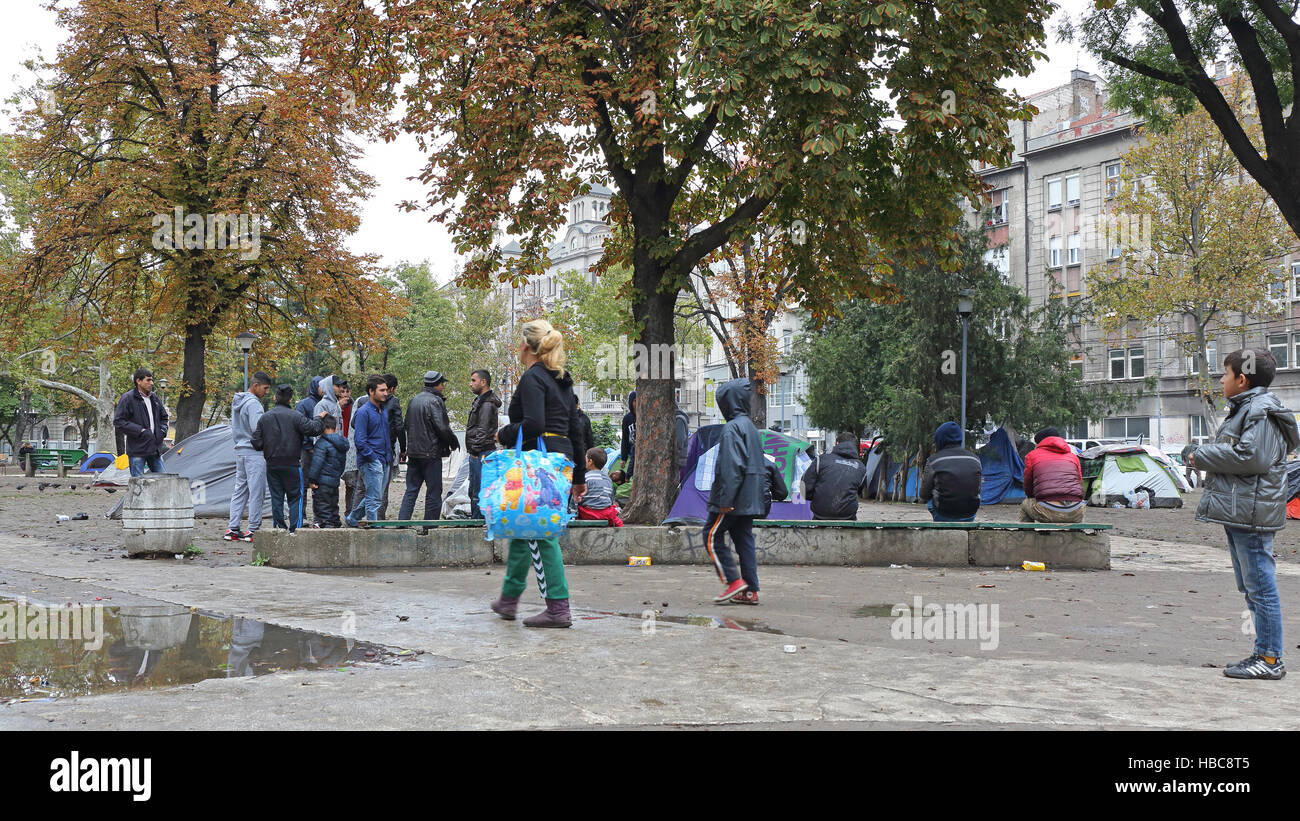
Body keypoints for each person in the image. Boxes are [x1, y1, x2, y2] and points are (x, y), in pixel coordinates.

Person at [1188, 348, 1298, 680]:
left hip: (1252, 511)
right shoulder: (1249, 409)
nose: (1221, 380)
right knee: (1253, 586)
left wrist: (1200, 455)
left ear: (1242, 378)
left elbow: (1252, 457)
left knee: (1260, 586)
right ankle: (1262, 654)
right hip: (1244, 509)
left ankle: (1268, 659)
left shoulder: (1259, 411)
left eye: (1225, 374)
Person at [488, 319, 586, 628]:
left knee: (542, 534)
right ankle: (509, 599)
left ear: (527, 347)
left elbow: (532, 424)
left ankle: (558, 607)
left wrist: (503, 433)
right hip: (561, 459)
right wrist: (580, 476)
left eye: (520, 343)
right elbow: (577, 430)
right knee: (525, 526)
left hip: (538, 461)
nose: (518, 348)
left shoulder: (533, 379)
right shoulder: (562, 379)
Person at [703, 378, 766, 605]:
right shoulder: (751, 427)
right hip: (750, 497)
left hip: (732, 497)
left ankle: (733, 581)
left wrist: (725, 499)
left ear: (727, 403)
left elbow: (731, 466)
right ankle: (750, 590)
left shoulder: (731, 429)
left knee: (711, 536)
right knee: (743, 540)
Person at [252, 385, 326, 533]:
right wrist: (319, 418)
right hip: (292, 464)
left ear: (275, 397)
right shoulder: (296, 416)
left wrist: (268, 446)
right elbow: (314, 429)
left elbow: (256, 442)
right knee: (295, 498)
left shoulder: (265, 418)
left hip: (272, 464)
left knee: (276, 497)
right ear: (290, 399)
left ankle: (279, 529)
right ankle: (294, 531)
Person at [399, 371, 459, 522]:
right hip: (431, 454)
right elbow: (442, 428)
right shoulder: (435, 401)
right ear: (436, 384)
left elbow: (406, 425)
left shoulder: (414, 400)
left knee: (411, 491)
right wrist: (453, 442)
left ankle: (402, 523)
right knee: (433, 492)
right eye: (442, 384)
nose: (443, 387)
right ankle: (430, 526)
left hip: (413, 453)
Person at [226, 372, 273, 542]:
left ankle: (233, 528)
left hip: (240, 450)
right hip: (254, 452)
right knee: (256, 492)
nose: (266, 392)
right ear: (256, 385)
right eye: (265, 388)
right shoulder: (254, 404)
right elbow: (257, 429)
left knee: (240, 490)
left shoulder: (238, 402)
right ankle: (253, 530)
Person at [345, 375, 393, 528]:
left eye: (386, 390)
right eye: (382, 390)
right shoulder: (363, 412)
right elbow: (360, 441)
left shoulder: (383, 410)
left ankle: (352, 518)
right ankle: (374, 528)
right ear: (371, 392)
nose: (386, 393)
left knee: (375, 496)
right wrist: (373, 458)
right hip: (371, 460)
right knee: (374, 499)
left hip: (384, 459)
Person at [919, 422, 982, 522]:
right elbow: (977, 490)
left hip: (943, 513)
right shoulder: (975, 459)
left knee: (931, 501)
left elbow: (923, 494)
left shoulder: (934, 461)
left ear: (939, 440)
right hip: (970, 513)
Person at [1020, 427, 1085, 523]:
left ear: (1039, 442)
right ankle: (1078, 535)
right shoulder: (1073, 457)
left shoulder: (1032, 456)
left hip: (1048, 511)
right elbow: (1079, 482)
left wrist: (1033, 496)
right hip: (1076, 512)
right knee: (1078, 505)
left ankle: (1027, 535)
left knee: (1025, 504)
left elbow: (1028, 485)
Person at [801, 430, 869, 520]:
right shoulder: (861, 467)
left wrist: (814, 497)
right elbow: (858, 491)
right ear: (855, 446)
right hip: (847, 516)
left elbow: (804, 485)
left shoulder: (821, 460)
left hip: (820, 515)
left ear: (837, 443)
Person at [113, 368, 169, 477]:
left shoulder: (154, 398)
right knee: (138, 486)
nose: (151, 383)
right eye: (148, 380)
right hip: (137, 449)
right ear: (138, 381)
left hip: (155, 448)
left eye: (152, 380)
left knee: (163, 481)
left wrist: (163, 430)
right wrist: (141, 431)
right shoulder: (128, 398)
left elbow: (164, 417)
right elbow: (119, 422)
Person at [466, 368, 501, 520]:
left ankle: (478, 523)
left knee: (478, 491)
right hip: (480, 451)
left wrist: (474, 450)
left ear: (483, 382)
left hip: (481, 452)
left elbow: (483, 429)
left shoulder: (486, 404)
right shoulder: (482, 401)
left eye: (474, 380)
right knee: (475, 490)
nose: (470, 384)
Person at [307, 414, 348, 528]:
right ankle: (335, 523)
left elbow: (317, 463)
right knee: (333, 504)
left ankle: (327, 526)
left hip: (322, 481)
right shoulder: (342, 444)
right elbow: (342, 463)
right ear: (335, 428)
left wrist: (312, 479)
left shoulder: (321, 443)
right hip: (334, 480)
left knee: (322, 505)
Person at [294, 376, 324, 523]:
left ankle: (319, 515)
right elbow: (300, 426)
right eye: (320, 386)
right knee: (304, 483)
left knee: (319, 483)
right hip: (307, 451)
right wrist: (308, 446)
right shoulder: (304, 404)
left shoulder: (325, 403)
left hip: (322, 450)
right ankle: (302, 515)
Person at [378, 373, 406, 519]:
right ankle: (379, 518)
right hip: (386, 448)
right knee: (383, 486)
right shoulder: (393, 402)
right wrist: (403, 448)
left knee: (364, 485)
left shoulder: (368, 400)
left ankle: (355, 517)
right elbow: (399, 426)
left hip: (369, 448)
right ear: (393, 388)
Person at [577, 447, 622, 526]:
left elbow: (577, 498)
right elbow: (611, 500)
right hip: (605, 514)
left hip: (587, 513)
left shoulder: (585, 477)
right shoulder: (608, 480)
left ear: (590, 461)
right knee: (613, 513)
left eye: (585, 459)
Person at [761, 455, 789, 520]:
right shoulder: (769, 464)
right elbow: (782, 493)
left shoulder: (737, 461)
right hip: (762, 508)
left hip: (739, 509)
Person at [620, 390, 636, 479]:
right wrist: (623, 458)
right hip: (632, 452)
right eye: (635, 401)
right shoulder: (627, 418)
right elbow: (625, 438)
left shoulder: (646, 416)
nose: (637, 403)